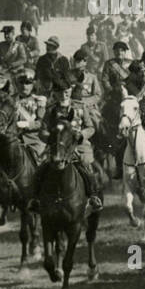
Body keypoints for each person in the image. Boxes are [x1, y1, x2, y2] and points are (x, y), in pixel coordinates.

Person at [32, 82, 103, 212]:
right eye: (60, 92)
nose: (64, 94)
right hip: (58, 147)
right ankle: (36, 199)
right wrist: (54, 139)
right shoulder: (50, 110)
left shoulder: (80, 107)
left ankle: (93, 197)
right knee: (41, 167)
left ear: (70, 90)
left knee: (87, 165)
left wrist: (81, 135)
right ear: (55, 93)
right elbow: (42, 131)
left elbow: (90, 128)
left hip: (78, 146)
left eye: (66, 91)